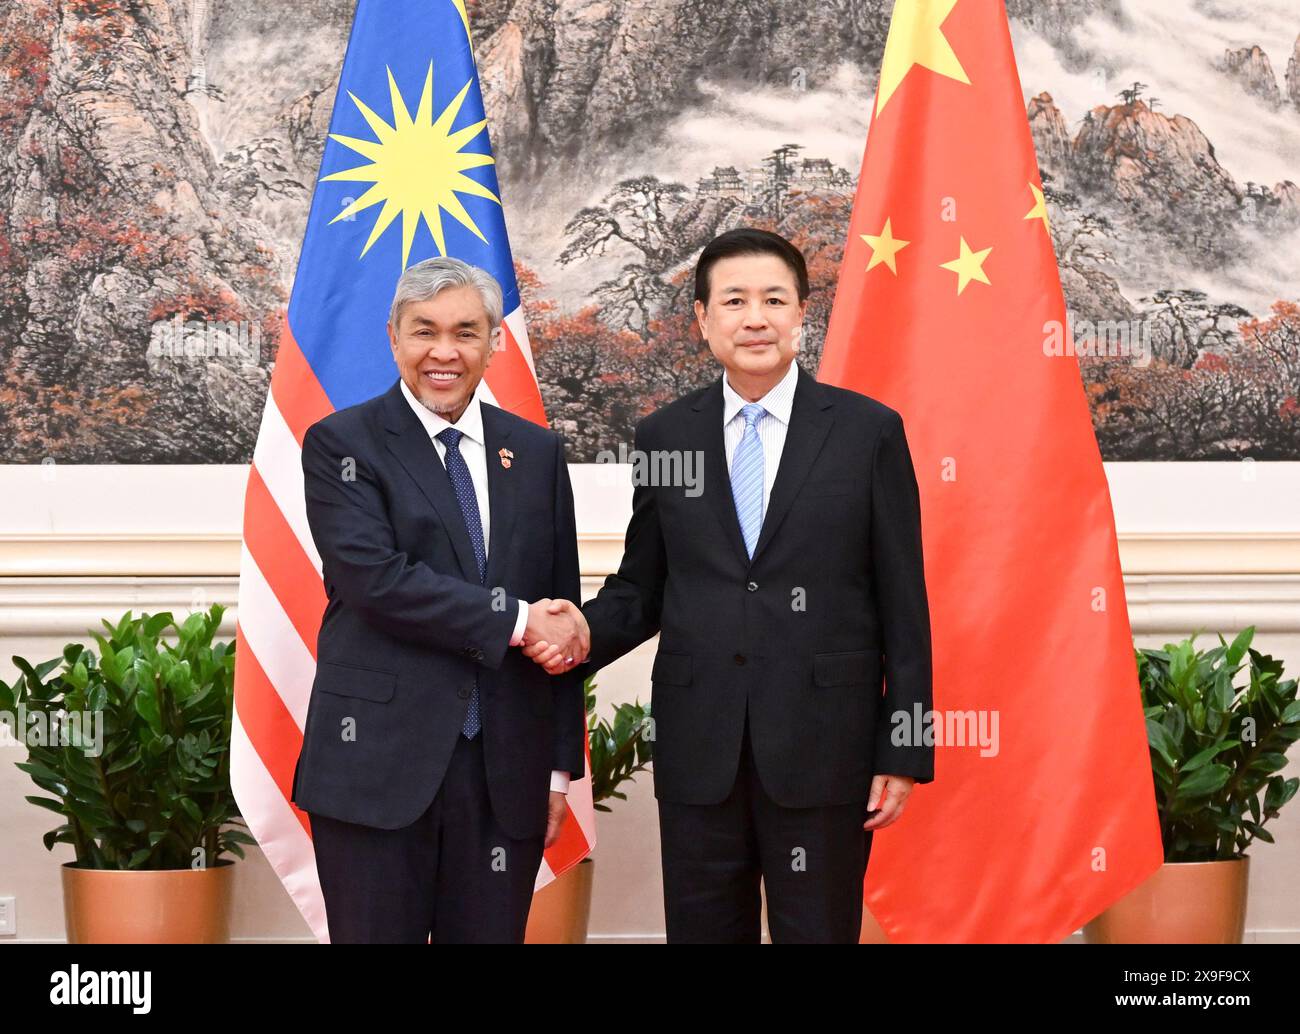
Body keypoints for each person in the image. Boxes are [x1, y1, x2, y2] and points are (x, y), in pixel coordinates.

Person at [527, 228, 934, 943]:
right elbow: (644, 586)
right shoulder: (665, 436)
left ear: (801, 313)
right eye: (735, 300)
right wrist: (579, 631)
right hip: (700, 744)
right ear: (703, 318)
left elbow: (906, 603)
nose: (755, 318)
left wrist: (904, 749)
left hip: (826, 744)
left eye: (774, 300)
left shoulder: (867, 432)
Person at [291, 256, 589, 943]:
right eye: (424, 331)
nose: (444, 352)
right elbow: (376, 582)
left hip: (505, 777)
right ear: (393, 336)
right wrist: (519, 621)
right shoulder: (342, 444)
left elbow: (562, 611)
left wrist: (555, 768)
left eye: (466, 331)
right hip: (377, 768)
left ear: (495, 340)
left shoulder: (536, 453)